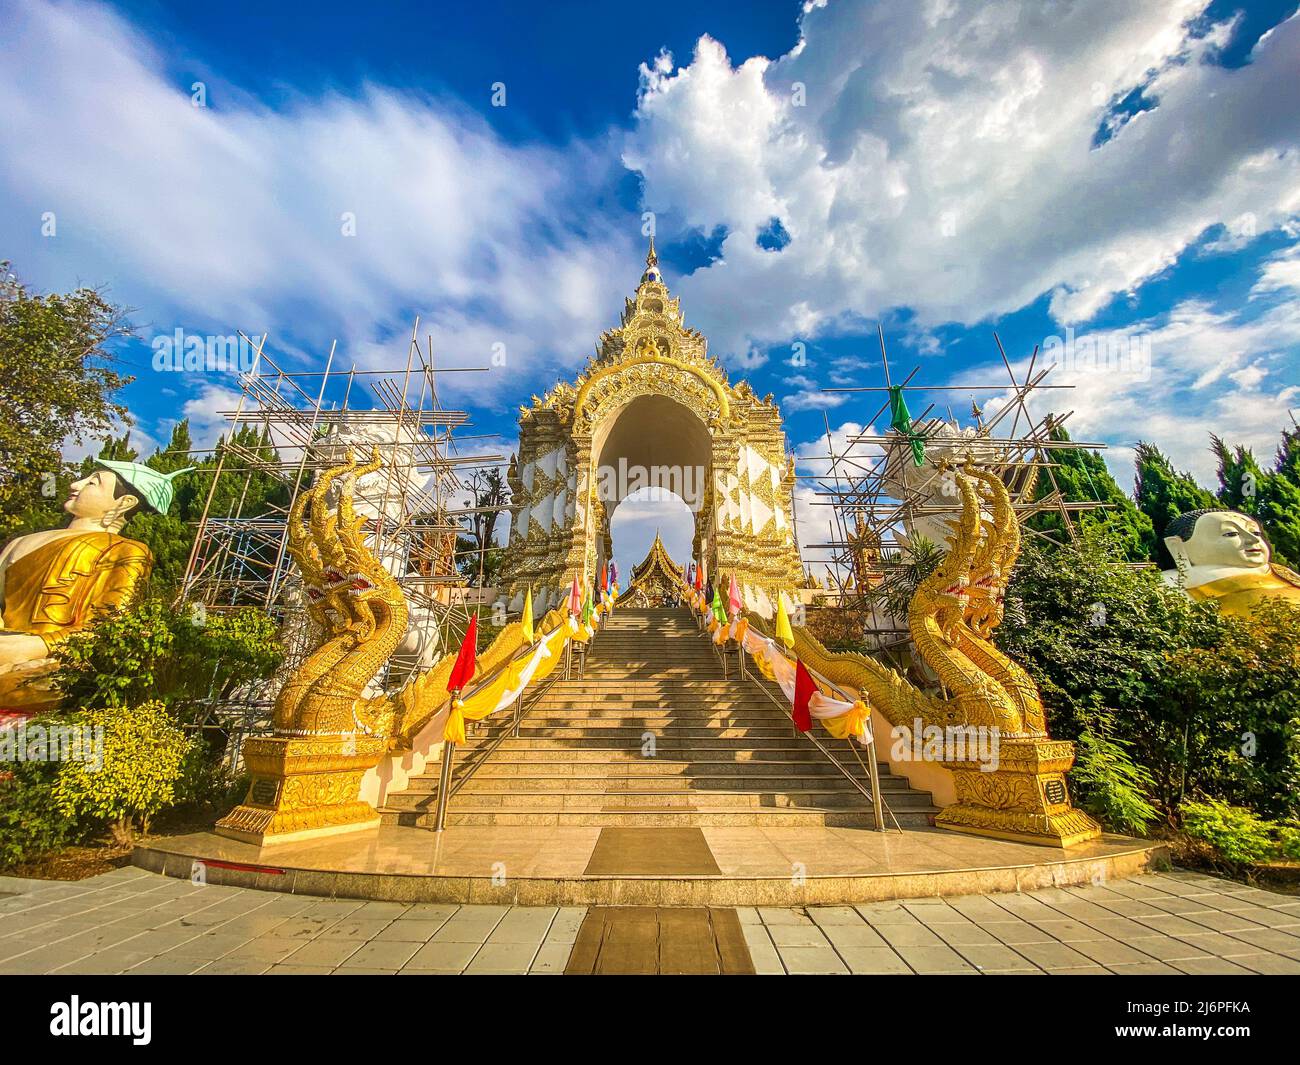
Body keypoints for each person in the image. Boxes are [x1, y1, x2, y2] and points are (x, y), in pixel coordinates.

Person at [0, 460, 190, 712]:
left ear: (124, 503)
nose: (74, 485)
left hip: (50, 659)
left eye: (92, 483)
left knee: (64, 683)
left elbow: (109, 630)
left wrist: (34, 647)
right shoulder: (21, 542)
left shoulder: (126, 551)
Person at [1161, 508, 1300, 618]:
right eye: (1231, 534)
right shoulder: (1173, 581)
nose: (1253, 539)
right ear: (1178, 546)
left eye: (1256, 533)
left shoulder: (1281, 572)